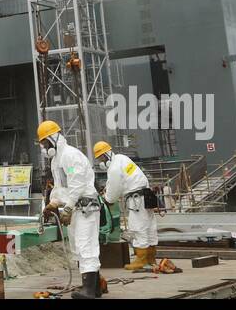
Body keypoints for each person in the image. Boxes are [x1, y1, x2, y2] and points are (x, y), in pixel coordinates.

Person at [37, 120, 102, 299]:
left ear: (54, 137)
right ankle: (94, 288)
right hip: (75, 209)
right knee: (79, 247)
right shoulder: (56, 161)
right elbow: (61, 188)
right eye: (42, 144)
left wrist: (68, 207)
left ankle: (89, 290)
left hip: (84, 208)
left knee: (85, 245)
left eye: (45, 143)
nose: (44, 147)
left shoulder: (70, 155)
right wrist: (53, 203)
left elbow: (77, 182)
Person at [94, 141, 159, 270]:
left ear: (106, 155)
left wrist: (107, 198)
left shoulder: (113, 167)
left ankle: (141, 259)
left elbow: (113, 191)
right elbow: (119, 181)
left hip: (136, 200)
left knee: (138, 227)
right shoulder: (122, 158)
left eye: (101, 158)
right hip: (146, 196)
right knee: (149, 226)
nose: (101, 161)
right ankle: (151, 257)